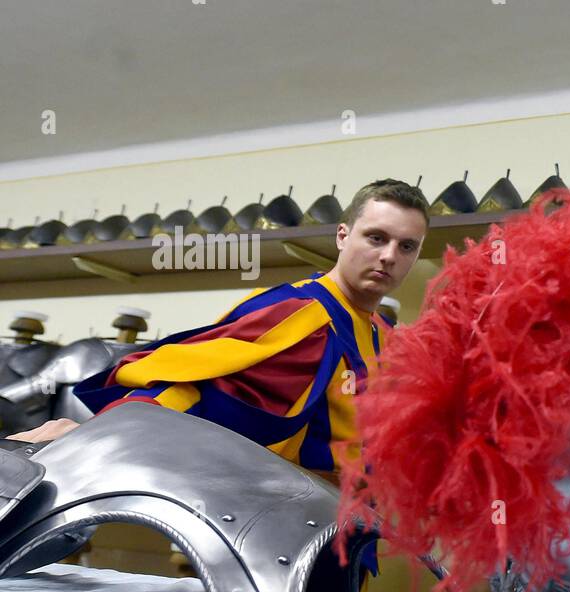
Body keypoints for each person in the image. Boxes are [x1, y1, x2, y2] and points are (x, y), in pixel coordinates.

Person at [9, 178, 428, 478]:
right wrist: (94, 433)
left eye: (406, 246)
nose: (389, 255)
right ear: (342, 235)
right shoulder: (304, 316)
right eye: (376, 237)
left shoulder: (381, 334)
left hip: (348, 533)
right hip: (285, 524)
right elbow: (196, 387)